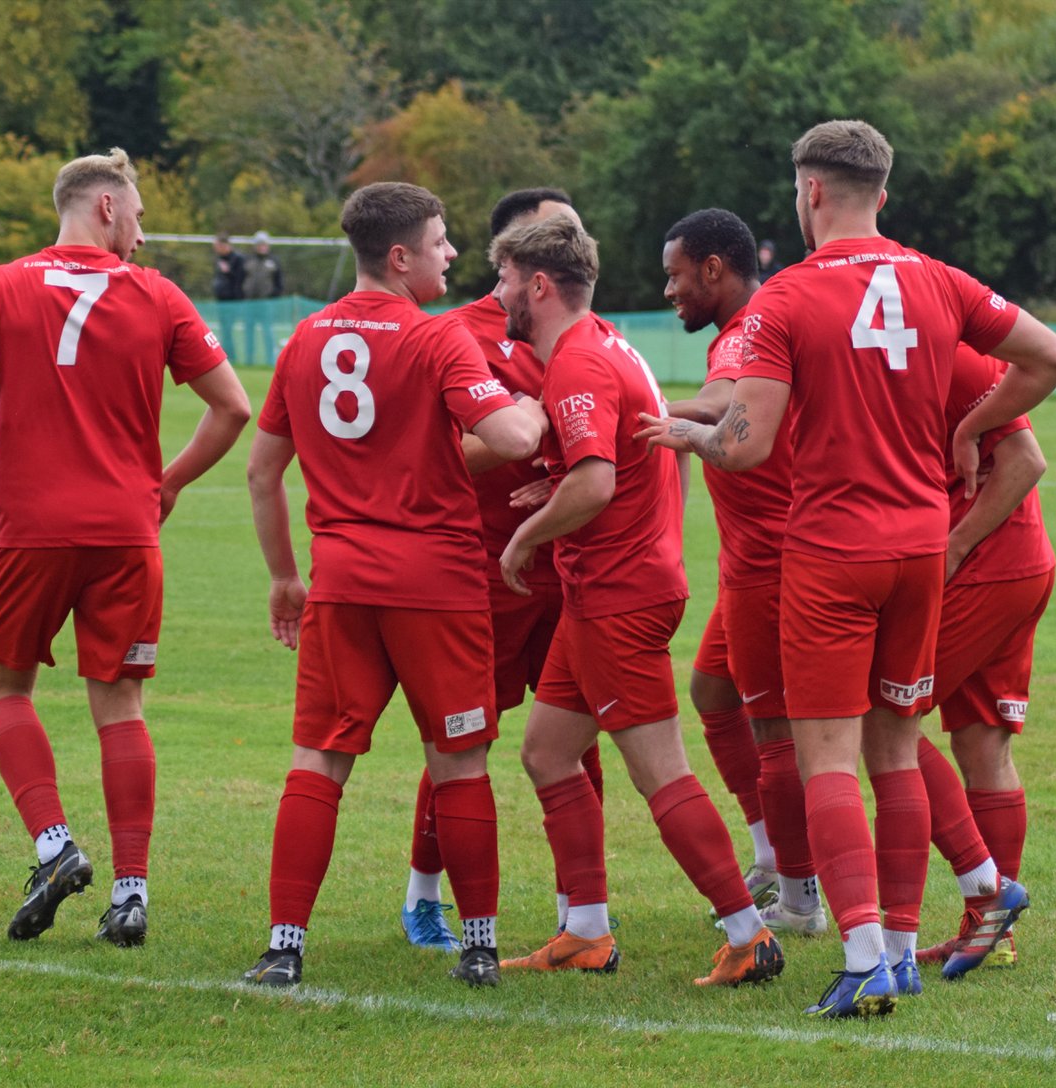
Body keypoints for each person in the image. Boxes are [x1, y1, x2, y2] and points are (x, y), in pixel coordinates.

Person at [638, 119, 1056, 1017]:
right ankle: (907, 947)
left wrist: (690, 435)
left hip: (834, 550)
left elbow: (748, 446)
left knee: (827, 753)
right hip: (923, 548)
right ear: (884, 192)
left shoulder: (785, 299)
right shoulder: (939, 279)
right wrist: (968, 427)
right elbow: (1051, 357)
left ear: (810, 193)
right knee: (898, 744)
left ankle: (865, 952)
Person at [0, 147, 253, 949]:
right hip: (126, 534)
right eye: (136, 217)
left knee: (4, 689)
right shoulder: (160, 297)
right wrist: (165, 486)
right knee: (121, 706)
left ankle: (55, 847)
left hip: (30, 533)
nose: (140, 236)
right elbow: (233, 409)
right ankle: (130, 895)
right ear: (104, 207)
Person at [244, 182, 545, 990]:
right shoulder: (438, 339)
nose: (454, 255)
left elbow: (262, 470)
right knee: (459, 760)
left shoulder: (304, 339)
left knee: (319, 759)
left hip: (341, 581)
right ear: (401, 255)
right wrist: (542, 406)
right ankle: (479, 946)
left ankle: (283, 948)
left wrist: (283, 576)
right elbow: (512, 435)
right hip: (437, 584)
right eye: (443, 243)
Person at [492, 215, 784, 987]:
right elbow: (619, 458)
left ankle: (749, 932)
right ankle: (586, 930)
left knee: (661, 772)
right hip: (613, 587)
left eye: (506, 281)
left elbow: (598, 482)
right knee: (547, 752)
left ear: (541, 286)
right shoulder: (607, 342)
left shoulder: (578, 361)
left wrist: (526, 538)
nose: (499, 297)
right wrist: (560, 489)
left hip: (617, 595)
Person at [398, 187, 608, 952]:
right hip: (482, 570)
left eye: (576, 234)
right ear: (514, 258)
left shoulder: (593, 333)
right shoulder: (452, 335)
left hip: (574, 568)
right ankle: (424, 896)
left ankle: (581, 909)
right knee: (463, 738)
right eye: (558, 236)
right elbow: (436, 456)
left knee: (579, 740)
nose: (573, 248)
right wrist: (536, 425)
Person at [659, 208, 824, 937]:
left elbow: (727, 405)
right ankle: (770, 852)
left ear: (714, 269)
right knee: (712, 691)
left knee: (778, 731)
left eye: (675, 275)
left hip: (777, 564)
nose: (670, 291)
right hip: (749, 561)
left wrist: (634, 413)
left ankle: (800, 898)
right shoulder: (749, 326)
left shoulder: (750, 332)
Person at [911, 344, 1053, 978]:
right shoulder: (898, 341)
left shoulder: (953, 355)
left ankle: (988, 893)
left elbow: (1025, 460)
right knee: (982, 746)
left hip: (988, 567)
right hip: (1011, 563)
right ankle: (992, 929)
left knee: (874, 717)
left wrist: (954, 547)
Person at [243, 231, 285, 366]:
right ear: (255, 246)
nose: (262, 247)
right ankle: (249, 360)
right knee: (249, 332)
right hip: (249, 304)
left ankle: (270, 360)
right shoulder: (248, 260)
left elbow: (279, 282)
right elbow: (241, 280)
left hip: (266, 304)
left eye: (264, 244)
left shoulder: (273, 261)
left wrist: (274, 296)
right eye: (260, 244)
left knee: (268, 332)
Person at [211, 233, 247, 361]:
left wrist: (228, 272)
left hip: (233, 302)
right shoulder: (220, 259)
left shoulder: (237, 259)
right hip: (222, 301)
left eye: (217, 245)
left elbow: (239, 279)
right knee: (225, 330)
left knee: (228, 330)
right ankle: (227, 356)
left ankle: (232, 357)